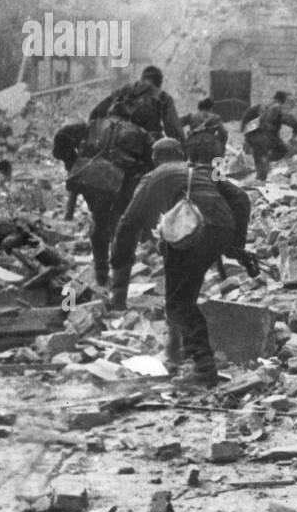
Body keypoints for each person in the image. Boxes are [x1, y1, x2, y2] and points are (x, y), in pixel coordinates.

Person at [109, 138, 257, 388]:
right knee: (183, 296)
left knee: (179, 303)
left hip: (192, 234)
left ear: (155, 159)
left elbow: (129, 221)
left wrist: (119, 260)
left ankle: (203, 369)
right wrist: (236, 244)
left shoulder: (155, 175)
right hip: (221, 228)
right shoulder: (204, 169)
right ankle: (177, 352)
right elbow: (241, 198)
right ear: (181, 154)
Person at [53, 116, 152, 286]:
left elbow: (71, 162)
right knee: (120, 226)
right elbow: (151, 164)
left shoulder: (93, 127)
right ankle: (119, 281)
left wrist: (69, 211)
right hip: (124, 182)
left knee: (100, 224)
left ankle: (102, 275)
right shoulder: (137, 131)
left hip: (97, 182)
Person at [89, 64, 184, 145]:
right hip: (145, 147)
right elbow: (174, 130)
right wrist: (182, 154)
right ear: (159, 82)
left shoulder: (123, 91)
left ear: (142, 78)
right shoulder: (162, 96)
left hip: (115, 142)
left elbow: (96, 113)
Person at [240, 90, 297, 180]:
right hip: (268, 136)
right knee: (280, 151)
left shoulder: (263, 106)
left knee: (260, 156)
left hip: (256, 136)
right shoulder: (277, 107)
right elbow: (288, 119)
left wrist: (243, 129)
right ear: (283, 100)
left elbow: (248, 112)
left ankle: (261, 172)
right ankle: (262, 173)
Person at [180, 97, 229, 161]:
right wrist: (221, 149)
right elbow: (223, 134)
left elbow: (176, 124)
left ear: (199, 108)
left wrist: (183, 141)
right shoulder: (215, 117)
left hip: (192, 147)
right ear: (211, 108)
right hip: (209, 147)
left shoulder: (191, 116)